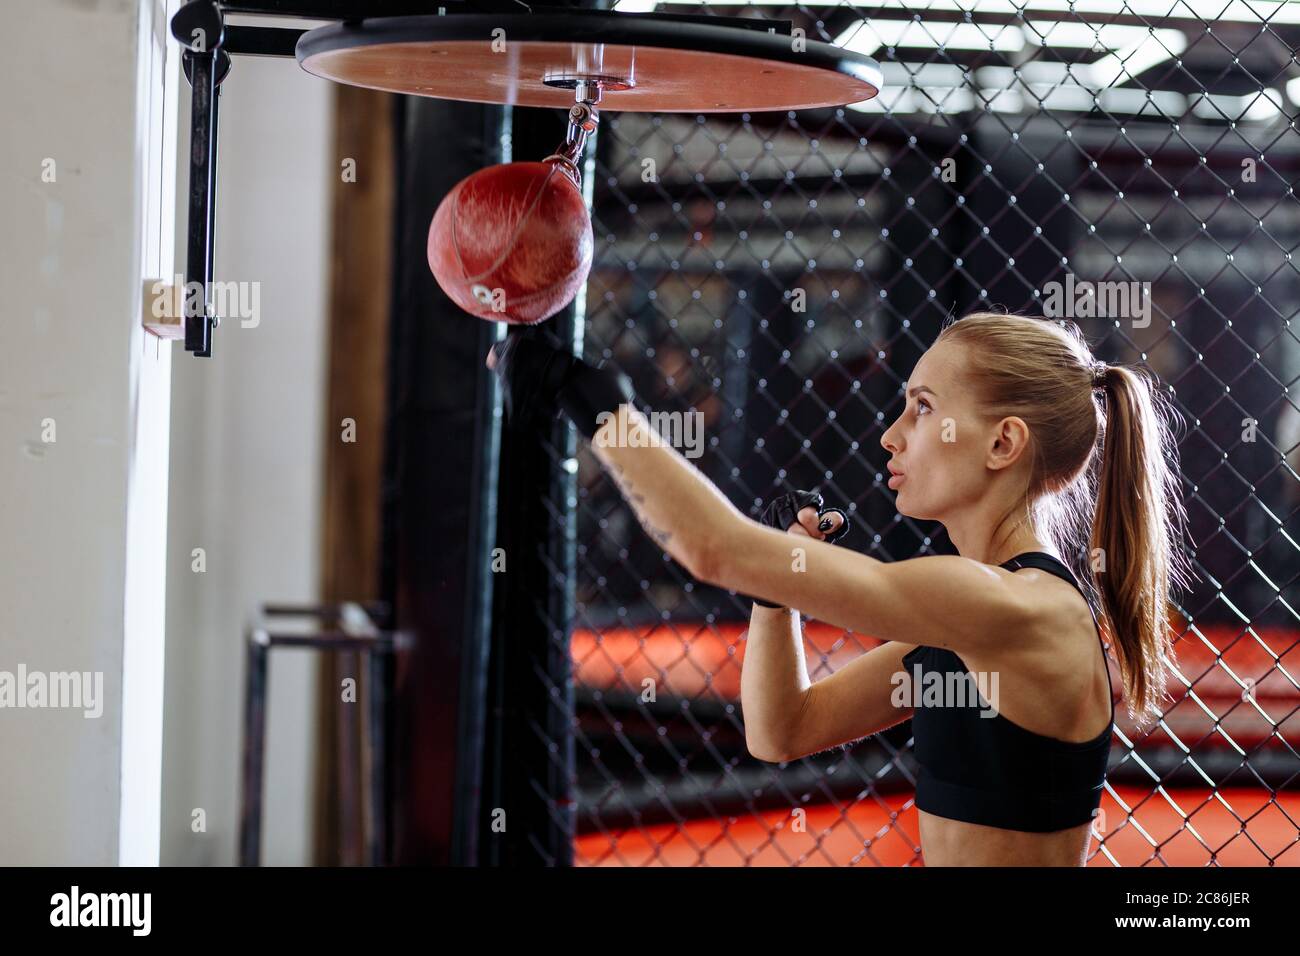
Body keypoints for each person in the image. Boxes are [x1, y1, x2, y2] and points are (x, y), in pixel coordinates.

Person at [486, 311, 1193, 866]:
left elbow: (711, 547)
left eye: (921, 408)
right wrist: (777, 592)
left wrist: (592, 400)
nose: (890, 434)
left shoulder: (1013, 612)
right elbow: (781, 730)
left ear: (1002, 444)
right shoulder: (969, 622)